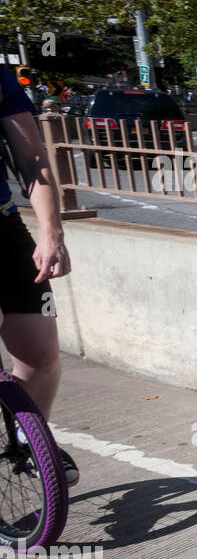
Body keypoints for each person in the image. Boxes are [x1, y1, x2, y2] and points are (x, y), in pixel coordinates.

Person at [0, 66, 79, 484]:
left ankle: (28, 439)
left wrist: (51, 233)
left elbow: (32, 161)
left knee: (43, 357)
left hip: (3, 227)